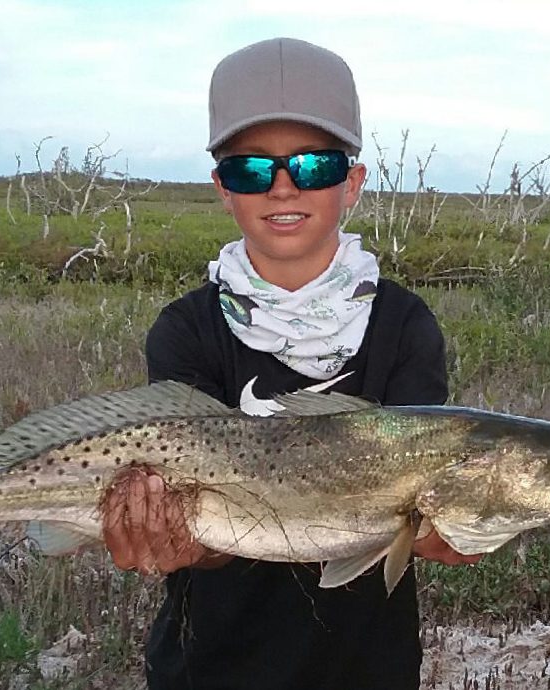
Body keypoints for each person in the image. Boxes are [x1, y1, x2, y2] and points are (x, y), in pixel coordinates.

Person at [102, 37, 481, 690]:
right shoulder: (186, 330)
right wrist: (169, 534)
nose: (283, 186)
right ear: (223, 187)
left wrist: (459, 527)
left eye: (313, 165)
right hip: (207, 669)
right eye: (253, 169)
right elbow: (196, 522)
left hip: (368, 671)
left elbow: (427, 512)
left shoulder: (405, 325)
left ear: (353, 182)